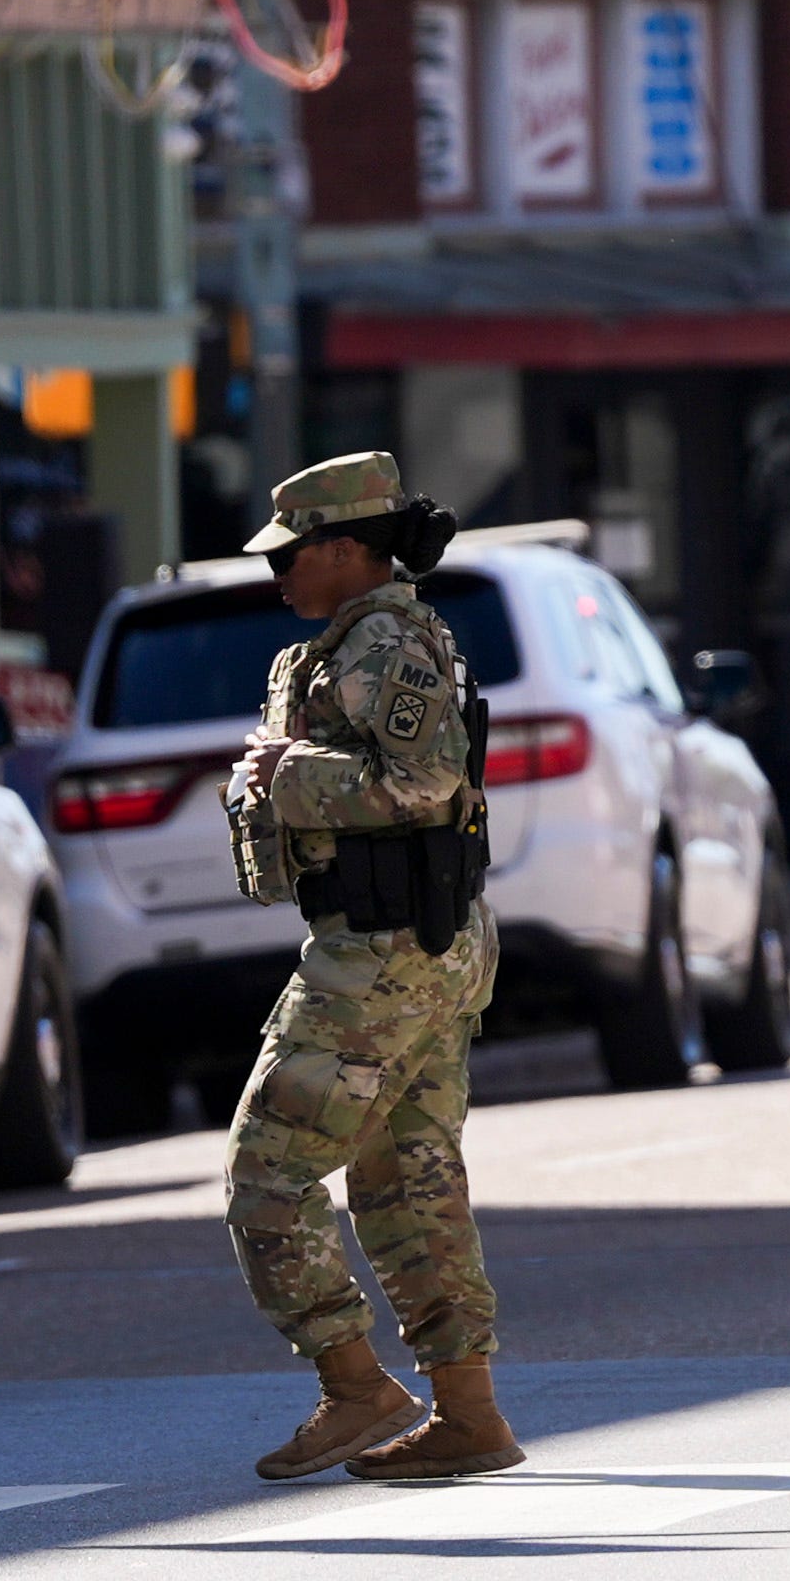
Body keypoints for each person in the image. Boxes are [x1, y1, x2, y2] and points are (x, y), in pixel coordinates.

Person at [220, 451, 520, 1485]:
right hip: (415, 949)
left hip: (382, 955)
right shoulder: (354, 643)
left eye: (291, 556)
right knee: (406, 1181)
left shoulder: (384, 640)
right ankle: (469, 1414)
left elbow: (429, 783)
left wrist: (288, 776)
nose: (278, 577)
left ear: (347, 550)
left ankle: (356, 1389)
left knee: (266, 1175)